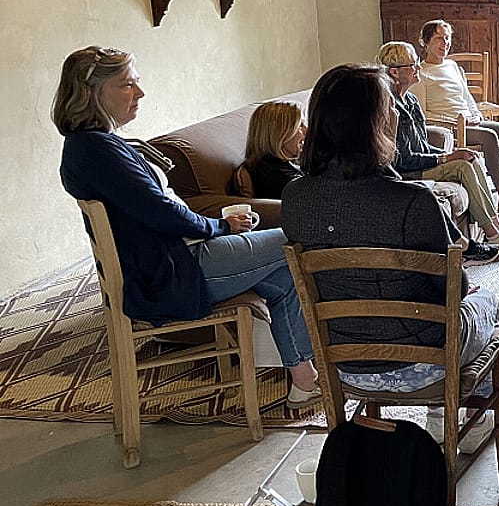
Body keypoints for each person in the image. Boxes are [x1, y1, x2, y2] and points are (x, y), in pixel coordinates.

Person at [53, 47, 320, 409]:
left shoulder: (96, 146)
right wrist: (221, 226)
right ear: (92, 93)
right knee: (301, 237)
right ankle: (323, 363)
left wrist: (219, 227)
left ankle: (305, 382)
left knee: (282, 272)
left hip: (173, 259)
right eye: (128, 85)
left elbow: (159, 209)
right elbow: (162, 212)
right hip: (173, 271)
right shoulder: (96, 151)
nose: (140, 93)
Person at [281, 64, 499, 452]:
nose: (398, 114)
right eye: (390, 107)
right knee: (490, 303)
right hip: (422, 363)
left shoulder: (295, 198)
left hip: (341, 363)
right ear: (371, 124)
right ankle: (459, 417)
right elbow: (455, 291)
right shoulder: (415, 201)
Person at [379, 41, 499, 258]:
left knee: (470, 159)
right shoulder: (391, 107)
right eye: (412, 65)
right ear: (394, 72)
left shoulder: (410, 100)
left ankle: (497, 226)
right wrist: (446, 157)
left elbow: (422, 145)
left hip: (419, 163)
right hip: (407, 173)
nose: (417, 68)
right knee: (461, 166)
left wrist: (452, 154)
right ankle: (493, 236)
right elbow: (403, 160)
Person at [409, 19, 499, 215]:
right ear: (425, 42)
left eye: (447, 38)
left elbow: (467, 97)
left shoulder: (452, 66)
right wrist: (457, 121)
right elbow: (423, 115)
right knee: (489, 136)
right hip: (451, 126)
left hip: (471, 121)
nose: (445, 43)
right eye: (439, 39)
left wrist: (475, 114)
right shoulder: (422, 74)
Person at [243, 99, 305, 199]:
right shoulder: (276, 177)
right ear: (279, 135)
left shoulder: (281, 163)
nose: (307, 131)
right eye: (300, 126)